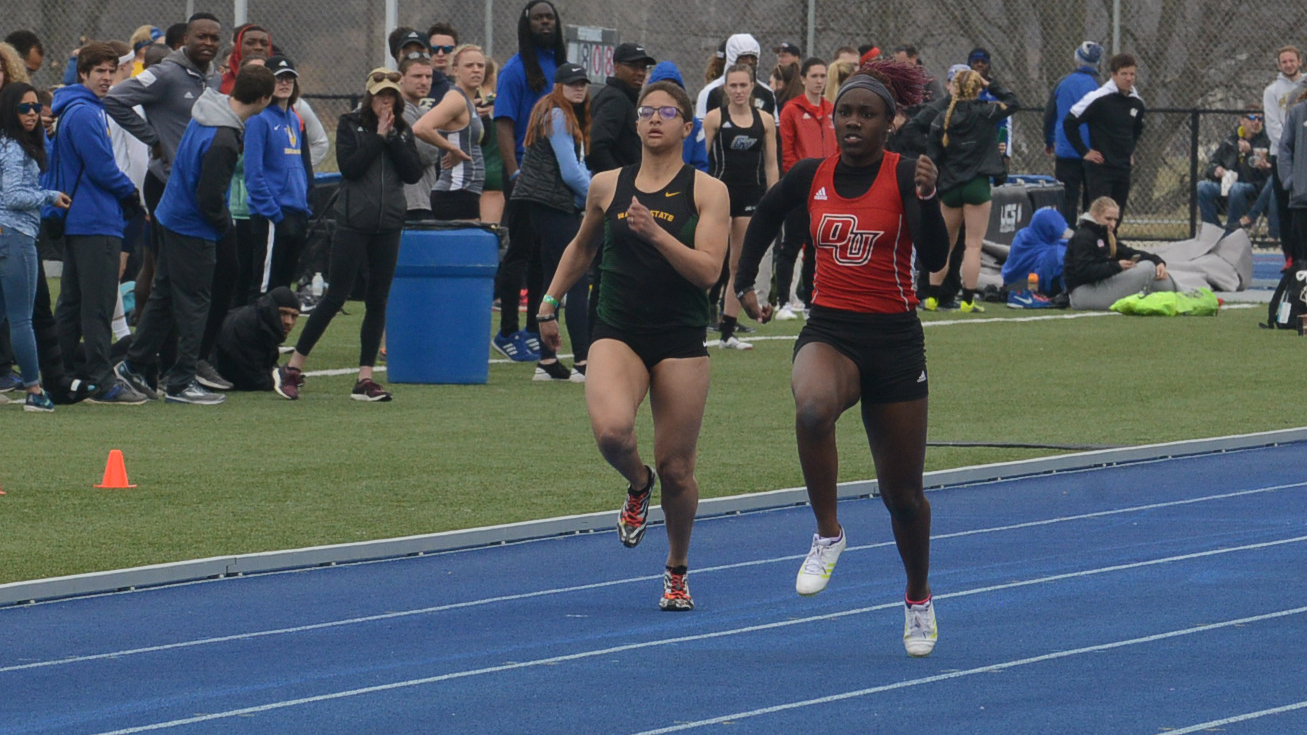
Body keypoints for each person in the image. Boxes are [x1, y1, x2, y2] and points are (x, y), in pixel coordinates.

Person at [734, 61, 948, 657]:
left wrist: (929, 199)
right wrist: (744, 279)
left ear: (889, 123)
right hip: (830, 330)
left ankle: (918, 596)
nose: (853, 122)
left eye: (866, 114)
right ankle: (828, 533)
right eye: (845, 112)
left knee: (902, 496)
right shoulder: (812, 173)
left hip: (895, 341)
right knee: (811, 410)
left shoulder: (905, 173)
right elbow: (768, 212)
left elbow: (935, 260)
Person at [537, 80, 730, 610]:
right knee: (613, 433)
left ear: (687, 127)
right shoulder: (607, 185)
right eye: (646, 112)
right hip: (617, 329)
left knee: (678, 470)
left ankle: (676, 569)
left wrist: (657, 234)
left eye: (667, 112)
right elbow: (582, 248)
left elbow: (708, 273)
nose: (654, 119)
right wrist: (549, 302)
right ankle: (638, 484)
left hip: (680, 337)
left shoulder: (707, 191)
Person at [114, 65, 275, 405]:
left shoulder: (208, 110)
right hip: (191, 226)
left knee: (164, 297)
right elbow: (209, 197)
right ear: (262, 99)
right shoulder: (224, 138)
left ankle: (134, 365)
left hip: (170, 216)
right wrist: (222, 225)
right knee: (195, 303)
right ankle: (182, 380)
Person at [273, 68, 423, 402]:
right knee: (335, 297)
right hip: (353, 223)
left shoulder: (403, 130)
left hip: (388, 224)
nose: (386, 102)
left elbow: (413, 173)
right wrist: (377, 137)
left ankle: (365, 377)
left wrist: (393, 138)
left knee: (378, 300)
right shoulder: (350, 124)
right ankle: (294, 366)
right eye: (380, 96)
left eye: (391, 96)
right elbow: (350, 168)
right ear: (370, 97)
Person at [49, 42, 145, 405]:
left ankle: (59, 376)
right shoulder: (86, 113)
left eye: (111, 70)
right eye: (99, 71)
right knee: (98, 304)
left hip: (81, 219)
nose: (107, 78)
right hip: (95, 220)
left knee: (73, 303)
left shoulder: (75, 109)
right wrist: (130, 192)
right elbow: (102, 168)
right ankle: (103, 381)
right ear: (83, 74)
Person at [491, 0, 566, 362]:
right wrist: (514, 172)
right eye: (538, 18)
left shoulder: (560, 66)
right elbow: (503, 124)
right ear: (527, 24)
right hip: (524, 170)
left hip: (556, 172)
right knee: (520, 252)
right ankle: (506, 331)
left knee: (543, 255)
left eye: (549, 17)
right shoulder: (514, 70)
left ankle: (535, 328)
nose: (545, 23)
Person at [509, 62, 593, 381]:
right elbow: (570, 171)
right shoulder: (558, 114)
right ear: (558, 86)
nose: (579, 88)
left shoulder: (551, 110)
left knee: (551, 279)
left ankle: (546, 361)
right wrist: (598, 196)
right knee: (577, 277)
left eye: (582, 83)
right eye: (572, 83)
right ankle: (583, 362)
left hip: (540, 205)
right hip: (553, 205)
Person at [923, 67, 1018, 313]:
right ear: (977, 89)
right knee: (973, 246)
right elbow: (1013, 102)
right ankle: (967, 300)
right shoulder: (986, 112)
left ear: (954, 88)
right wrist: (990, 84)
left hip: (950, 186)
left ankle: (932, 297)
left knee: (944, 245)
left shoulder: (943, 117)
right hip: (977, 185)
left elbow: (933, 155)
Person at [0, 82, 70, 411]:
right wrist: (49, 196)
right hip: (16, 235)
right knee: (21, 319)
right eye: (24, 108)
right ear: (9, 111)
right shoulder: (15, 149)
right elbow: (14, 196)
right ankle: (34, 390)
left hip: (6, 234)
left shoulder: (7, 143)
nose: (32, 113)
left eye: (36, 107)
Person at [704, 63, 778, 349]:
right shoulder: (714, 118)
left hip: (749, 198)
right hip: (718, 198)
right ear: (725, 87)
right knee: (710, 263)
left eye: (743, 85)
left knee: (739, 265)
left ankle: (727, 331)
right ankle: (696, 326)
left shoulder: (765, 121)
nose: (738, 91)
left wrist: (773, 198)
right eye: (733, 85)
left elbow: (771, 164)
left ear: (752, 87)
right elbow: (699, 160)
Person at [244, 55, 311, 296]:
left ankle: (276, 323)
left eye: (289, 78)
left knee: (283, 288)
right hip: (272, 216)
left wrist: (305, 206)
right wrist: (273, 213)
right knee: (264, 287)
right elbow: (253, 175)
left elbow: (299, 166)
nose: (285, 83)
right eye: (279, 78)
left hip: (296, 212)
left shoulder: (294, 119)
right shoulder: (258, 120)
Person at [776, 57, 836, 320]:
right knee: (791, 243)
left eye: (823, 76)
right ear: (803, 79)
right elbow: (787, 151)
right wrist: (796, 181)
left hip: (826, 189)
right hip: (800, 189)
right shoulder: (791, 110)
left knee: (817, 246)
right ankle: (783, 302)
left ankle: (812, 301)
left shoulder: (832, 110)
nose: (819, 81)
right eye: (814, 76)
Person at [1063, 53, 1145, 219]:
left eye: (1132, 74)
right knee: (1100, 215)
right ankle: (1091, 237)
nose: (1128, 78)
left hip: (1122, 167)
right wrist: (1084, 152)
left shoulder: (1137, 102)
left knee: (1117, 216)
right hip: (1100, 168)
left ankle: (1112, 237)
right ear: (1113, 75)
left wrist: (1130, 152)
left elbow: (1137, 129)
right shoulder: (1098, 98)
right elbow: (1070, 122)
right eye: (1124, 74)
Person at [414, 44, 487, 221]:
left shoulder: (468, 100)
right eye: (469, 65)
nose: (476, 70)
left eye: (480, 65)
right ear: (455, 70)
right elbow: (421, 128)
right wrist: (452, 149)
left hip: (466, 191)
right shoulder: (456, 99)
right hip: (455, 193)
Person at [1064, 196, 1175, 310]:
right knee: (1147, 269)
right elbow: (1084, 272)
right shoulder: (1084, 236)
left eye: (1115, 220)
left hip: (1097, 287)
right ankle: (1178, 298)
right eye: (1108, 219)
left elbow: (1129, 252)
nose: (1112, 224)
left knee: (1152, 267)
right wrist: (1117, 266)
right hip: (1082, 293)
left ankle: (1178, 297)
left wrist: (1158, 261)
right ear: (1095, 215)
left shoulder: (1104, 235)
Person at [1043, 42, 1104, 223]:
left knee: (1067, 198)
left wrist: (1049, 140)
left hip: (1066, 149)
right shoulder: (1101, 85)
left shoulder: (1063, 82)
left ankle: (1066, 233)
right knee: (1092, 198)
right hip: (1093, 150)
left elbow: (1050, 115)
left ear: (1077, 58)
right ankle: (1089, 232)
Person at [1197, 106, 1272, 232]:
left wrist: (1250, 154)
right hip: (1227, 185)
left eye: (1260, 119)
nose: (1256, 122)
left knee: (1237, 188)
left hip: (1253, 188)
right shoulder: (1230, 141)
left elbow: (1271, 175)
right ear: (1242, 121)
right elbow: (1212, 163)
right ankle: (1214, 231)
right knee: (1202, 187)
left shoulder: (1266, 142)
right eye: (1252, 118)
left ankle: (1231, 232)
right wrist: (1216, 170)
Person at [213, 286, 299, 391]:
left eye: (294, 316)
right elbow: (250, 379)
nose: (288, 322)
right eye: (282, 313)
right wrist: (281, 380)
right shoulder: (247, 327)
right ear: (270, 308)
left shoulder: (261, 321)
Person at [588, 42, 654, 173]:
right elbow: (596, 146)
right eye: (633, 66)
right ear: (617, 67)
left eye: (643, 67)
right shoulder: (615, 99)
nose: (640, 73)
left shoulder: (627, 98)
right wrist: (619, 179)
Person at [1263, 46, 1302, 249]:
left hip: (1305, 157)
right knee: (1286, 208)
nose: (1288, 65)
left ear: (1300, 61)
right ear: (1279, 65)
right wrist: (1294, 147)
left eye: (1291, 60)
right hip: (1283, 157)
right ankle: (1290, 257)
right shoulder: (1272, 91)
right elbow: (1273, 127)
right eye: (1284, 62)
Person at [397, 50, 439, 221]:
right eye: (417, 76)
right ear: (401, 78)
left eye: (428, 77)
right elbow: (426, 152)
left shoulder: (421, 111)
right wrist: (440, 144)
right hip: (410, 201)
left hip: (425, 198)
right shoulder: (400, 110)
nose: (424, 82)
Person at [647, 62, 709, 172]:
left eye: (673, 87)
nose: (668, 92)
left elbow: (700, 164)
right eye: (662, 87)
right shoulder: (643, 120)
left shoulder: (693, 125)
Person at [697, 34, 776, 119]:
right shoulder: (710, 92)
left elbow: (774, 125)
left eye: (753, 58)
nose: (750, 62)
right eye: (744, 58)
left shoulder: (766, 93)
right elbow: (702, 125)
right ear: (732, 59)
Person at [478, 56, 505, 225]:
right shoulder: (499, 101)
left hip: (471, 174)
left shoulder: (469, 102)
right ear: (492, 76)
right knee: (490, 229)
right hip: (495, 173)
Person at [219, 24, 269, 93]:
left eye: (264, 44)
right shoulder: (220, 85)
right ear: (238, 47)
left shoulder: (280, 83)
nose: (259, 47)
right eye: (250, 43)